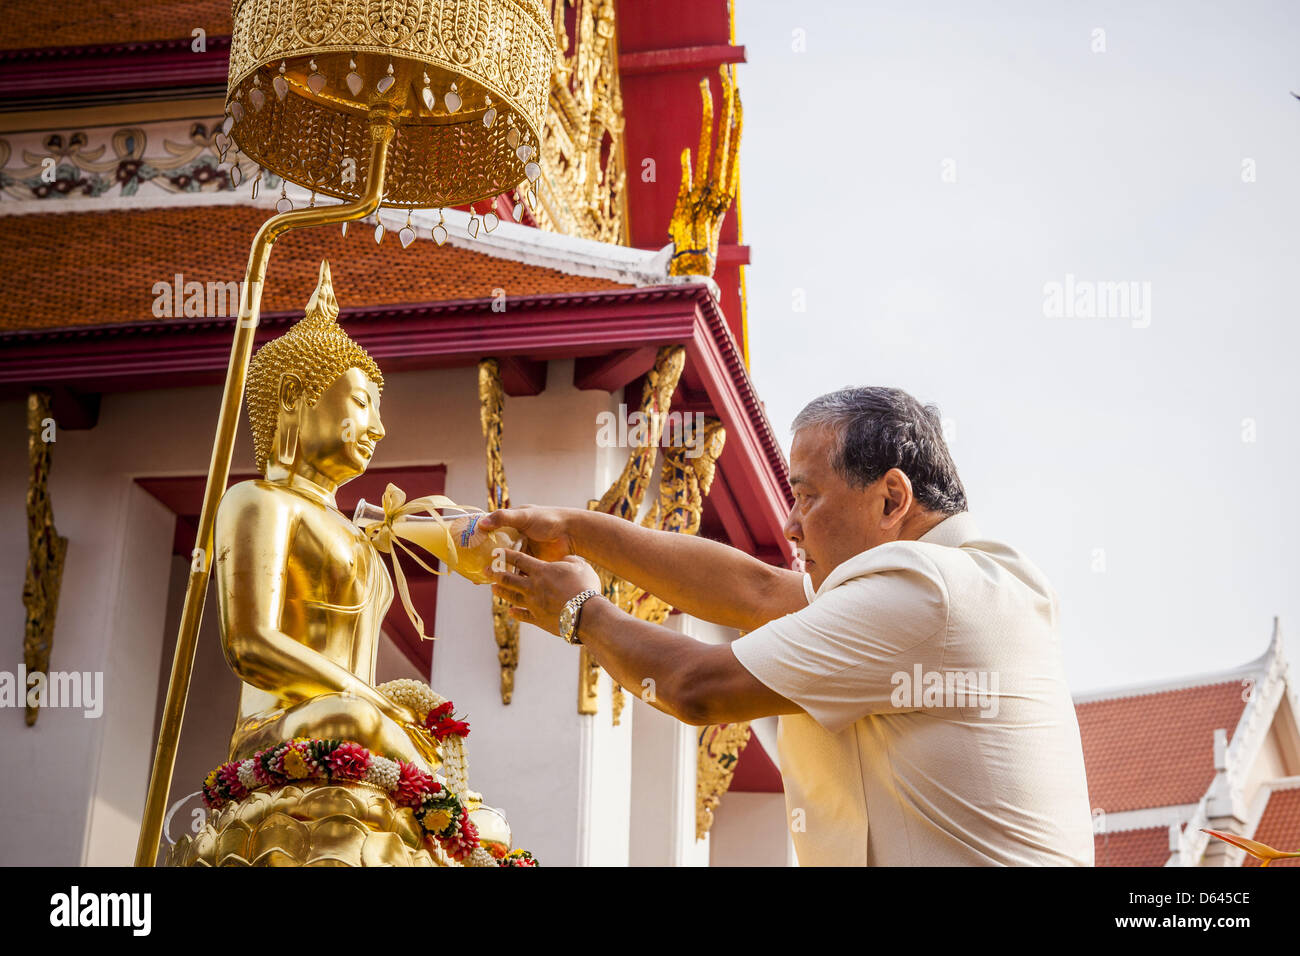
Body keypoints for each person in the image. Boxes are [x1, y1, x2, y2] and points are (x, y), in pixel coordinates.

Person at [482, 386, 1094, 866]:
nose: (791, 526)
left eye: (807, 497)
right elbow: (758, 590)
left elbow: (696, 686)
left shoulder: (926, 592)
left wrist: (581, 612)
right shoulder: (969, 576)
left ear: (891, 500)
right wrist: (578, 528)